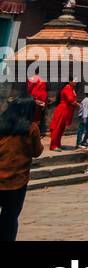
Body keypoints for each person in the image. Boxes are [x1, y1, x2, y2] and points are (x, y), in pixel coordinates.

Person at [0, 97, 43, 242]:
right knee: (10, 218)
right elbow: (37, 152)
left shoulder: (1, 126)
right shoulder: (31, 129)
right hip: (17, 181)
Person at [48, 82, 77, 151]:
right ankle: (53, 146)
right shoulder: (67, 88)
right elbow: (70, 99)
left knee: (61, 129)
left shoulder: (71, 88)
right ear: (70, 81)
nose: (76, 82)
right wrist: (76, 103)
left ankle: (58, 144)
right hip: (63, 110)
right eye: (74, 80)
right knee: (57, 128)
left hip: (66, 110)